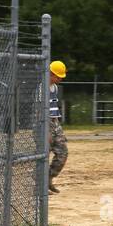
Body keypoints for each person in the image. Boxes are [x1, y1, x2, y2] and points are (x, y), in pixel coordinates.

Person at [48, 60, 68, 193]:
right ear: (50, 74)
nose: (60, 78)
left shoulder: (54, 87)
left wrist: (56, 123)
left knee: (62, 152)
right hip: (43, 123)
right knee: (44, 155)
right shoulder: (41, 88)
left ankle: (48, 179)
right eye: (58, 76)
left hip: (55, 122)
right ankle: (40, 186)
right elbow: (37, 109)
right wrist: (45, 129)